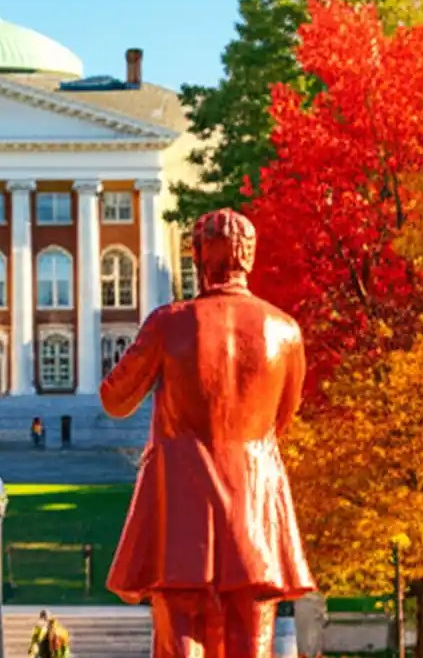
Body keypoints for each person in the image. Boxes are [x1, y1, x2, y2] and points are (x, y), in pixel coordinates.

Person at [100, 208, 315, 658]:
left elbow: (114, 400)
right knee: (252, 641)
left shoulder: (169, 323)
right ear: (250, 259)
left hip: (180, 509)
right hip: (255, 502)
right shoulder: (285, 331)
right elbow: (283, 418)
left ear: (197, 257)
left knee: (178, 635)